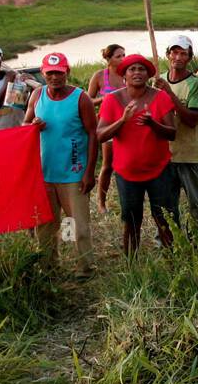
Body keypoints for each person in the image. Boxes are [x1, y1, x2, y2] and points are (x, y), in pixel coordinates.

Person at [97, 54, 178, 255]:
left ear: (148, 74)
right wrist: (122, 120)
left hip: (159, 170)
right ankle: (131, 263)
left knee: (164, 218)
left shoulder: (160, 96)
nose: (137, 73)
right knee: (131, 220)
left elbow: (172, 133)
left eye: (141, 69)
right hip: (126, 172)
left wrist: (152, 124)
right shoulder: (112, 99)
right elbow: (100, 135)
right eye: (131, 69)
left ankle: (172, 261)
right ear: (124, 75)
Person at [24, 53, 97, 272]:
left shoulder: (80, 98)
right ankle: (48, 267)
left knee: (78, 225)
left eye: (59, 73)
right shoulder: (37, 96)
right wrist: (33, 125)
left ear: (67, 72)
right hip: (44, 173)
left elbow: (93, 134)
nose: (55, 77)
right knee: (45, 226)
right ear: (43, 73)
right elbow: (24, 125)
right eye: (50, 73)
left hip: (73, 172)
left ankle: (85, 267)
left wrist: (89, 172)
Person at [156, 36, 198, 242]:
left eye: (183, 53)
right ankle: (168, 244)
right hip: (166, 156)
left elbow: (191, 120)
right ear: (168, 54)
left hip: (191, 156)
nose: (177, 57)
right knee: (166, 207)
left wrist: (169, 93)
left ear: (189, 57)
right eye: (174, 52)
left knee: (196, 206)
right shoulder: (158, 81)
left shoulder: (196, 83)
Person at [88, 43, 126, 210]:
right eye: (119, 56)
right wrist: (104, 100)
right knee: (108, 165)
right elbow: (88, 101)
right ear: (109, 59)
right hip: (108, 124)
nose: (123, 59)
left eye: (124, 55)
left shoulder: (128, 74)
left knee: (127, 162)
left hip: (127, 124)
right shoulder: (100, 76)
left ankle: (127, 199)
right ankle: (102, 203)